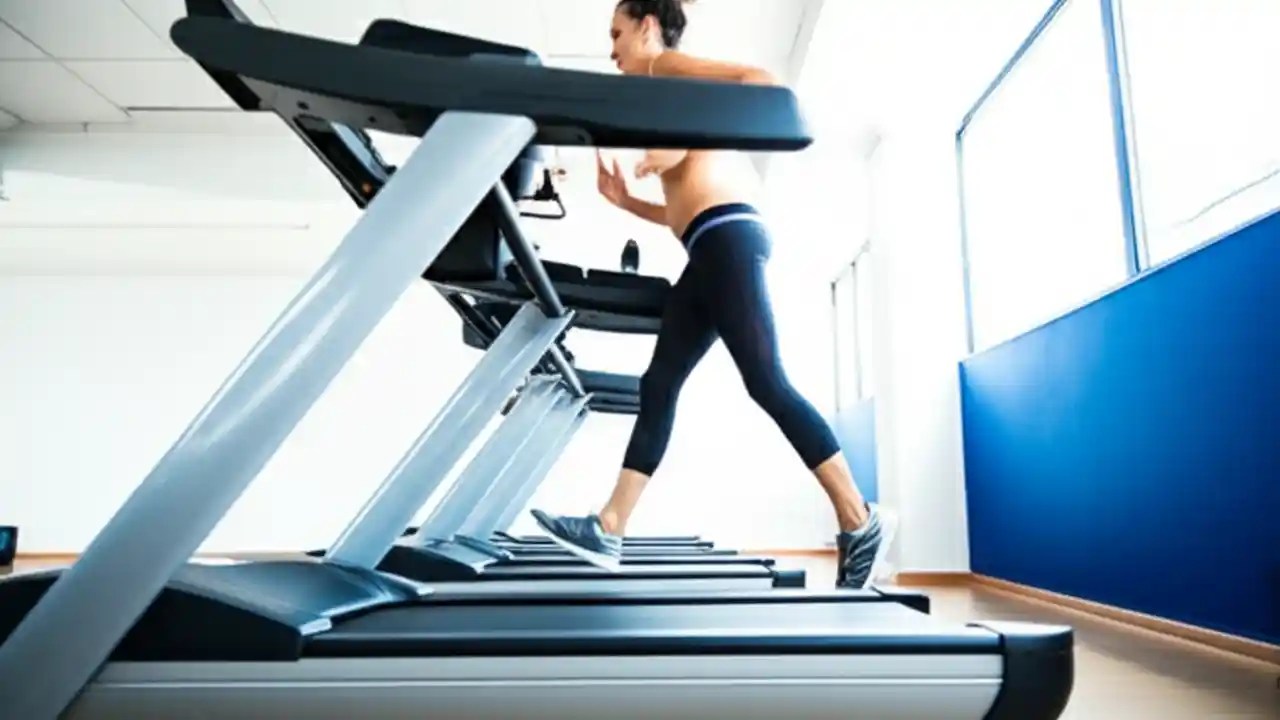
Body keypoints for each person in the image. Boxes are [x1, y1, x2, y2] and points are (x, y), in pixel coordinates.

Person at [531, 0, 896, 589]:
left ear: (648, 28)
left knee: (766, 381)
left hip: (728, 235)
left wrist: (684, 142)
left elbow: (758, 82)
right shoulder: (663, 97)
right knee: (660, 383)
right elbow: (682, 208)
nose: (613, 48)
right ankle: (610, 524)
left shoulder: (664, 69)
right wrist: (626, 203)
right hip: (705, 245)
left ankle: (859, 518)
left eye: (617, 33)